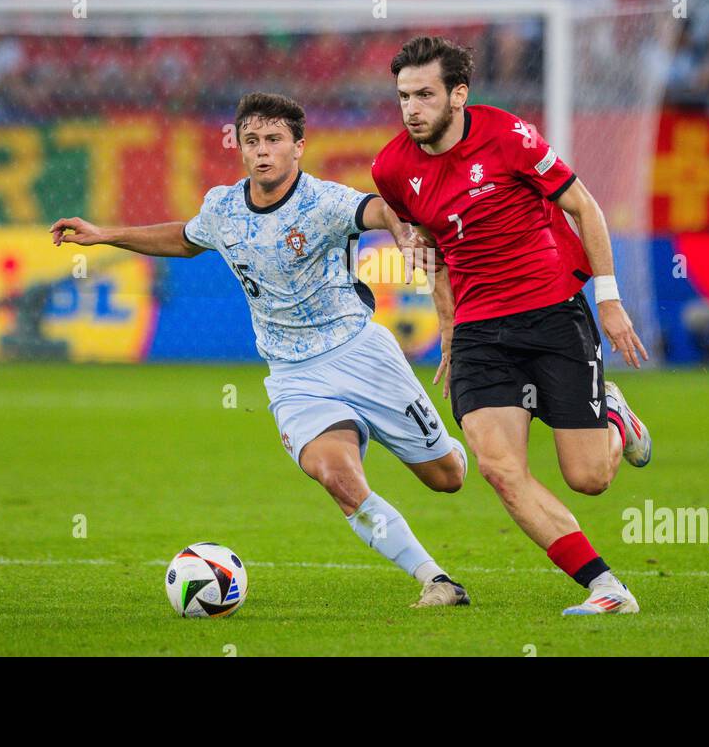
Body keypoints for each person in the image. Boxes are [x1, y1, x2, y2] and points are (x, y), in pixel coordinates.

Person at [51, 92, 471, 607]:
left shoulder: (324, 202)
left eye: (273, 140)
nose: (261, 151)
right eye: (251, 141)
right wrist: (105, 235)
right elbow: (185, 238)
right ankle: (436, 579)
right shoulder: (223, 208)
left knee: (446, 477)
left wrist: (405, 236)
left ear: (299, 146)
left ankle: (456, 442)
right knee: (335, 476)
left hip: (362, 354)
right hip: (294, 375)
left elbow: (382, 209)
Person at [371, 36, 652, 615]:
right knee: (500, 469)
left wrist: (610, 300)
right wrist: (448, 328)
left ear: (459, 94)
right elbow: (434, 250)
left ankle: (615, 419)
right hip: (479, 333)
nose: (412, 109)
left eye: (425, 95)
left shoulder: (508, 135)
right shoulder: (391, 168)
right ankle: (606, 588)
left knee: (589, 478)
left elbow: (585, 208)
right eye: (403, 97)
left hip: (552, 315)